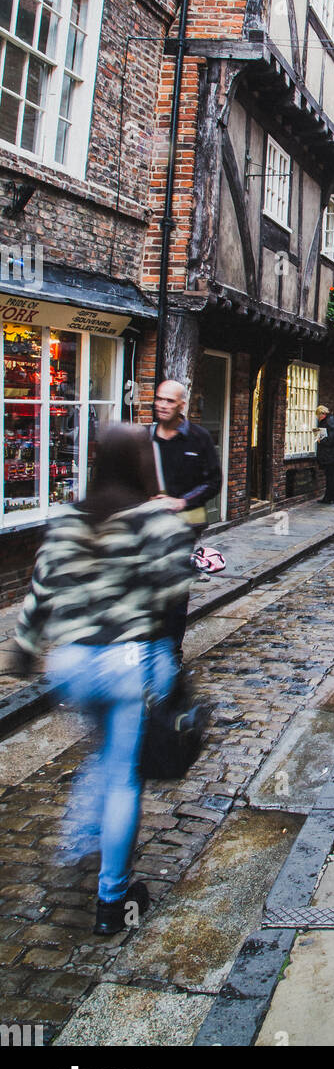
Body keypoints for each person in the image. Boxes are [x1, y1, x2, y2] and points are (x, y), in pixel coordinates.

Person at [12, 425, 195, 935]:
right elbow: (173, 585)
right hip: (124, 664)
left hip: (70, 665)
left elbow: (40, 589)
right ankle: (113, 899)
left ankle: (82, 834)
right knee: (121, 775)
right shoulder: (149, 519)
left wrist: (23, 649)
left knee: (104, 750)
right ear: (141, 465)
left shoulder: (68, 519)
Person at [150, 380, 221, 661]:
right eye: (159, 399)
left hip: (184, 524)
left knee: (175, 589)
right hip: (149, 525)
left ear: (182, 405)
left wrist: (182, 502)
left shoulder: (198, 438)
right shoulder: (146, 438)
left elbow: (214, 482)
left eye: (169, 401)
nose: (162, 405)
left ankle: (171, 652)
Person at [315, 404, 334, 503]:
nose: (318, 418)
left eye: (318, 416)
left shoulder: (328, 422)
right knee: (331, 476)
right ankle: (331, 497)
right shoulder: (330, 420)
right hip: (333, 454)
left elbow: (331, 439)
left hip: (331, 454)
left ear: (322, 414)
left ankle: (329, 497)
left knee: (330, 476)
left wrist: (320, 440)